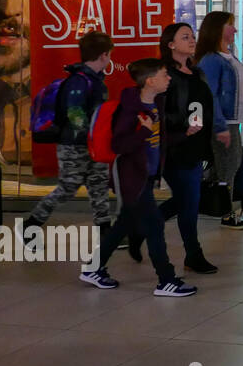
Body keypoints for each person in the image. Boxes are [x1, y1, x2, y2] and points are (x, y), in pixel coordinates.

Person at [80, 59, 197, 297]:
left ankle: (93, 268)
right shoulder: (130, 109)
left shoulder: (156, 103)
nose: (169, 78)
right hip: (131, 177)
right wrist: (144, 130)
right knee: (154, 225)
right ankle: (166, 280)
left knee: (124, 223)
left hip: (146, 175)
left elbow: (157, 142)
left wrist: (184, 134)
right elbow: (119, 144)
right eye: (165, 74)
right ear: (150, 81)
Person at [25, 31, 114, 241]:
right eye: (109, 54)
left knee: (99, 185)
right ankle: (31, 225)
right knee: (68, 187)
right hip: (75, 145)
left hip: (90, 144)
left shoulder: (91, 80)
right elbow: (74, 113)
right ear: (103, 55)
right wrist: (90, 134)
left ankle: (105, 231)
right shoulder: (80, 81)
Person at [151, 22, 218, 274]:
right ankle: (193, 254)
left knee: (184, 200)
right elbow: (159, 114)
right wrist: (182, 130)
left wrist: (214, 135)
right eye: (185, 37)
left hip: (196, 145)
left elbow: (205, 109)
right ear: (170, 45)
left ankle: (137, 227)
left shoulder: (197, 73)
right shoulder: (166, 76)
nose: (192, 40)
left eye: (192, 36)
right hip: (175, 148)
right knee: (189, 203)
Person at [195, 12, 243, 229]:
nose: (235, 30)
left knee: (234, 166)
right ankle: (225, 212)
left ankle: (224, 209)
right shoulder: (211, 59)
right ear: (218, 29)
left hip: (232, 120)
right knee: (228, 167)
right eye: (231, 25)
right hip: (224, 122)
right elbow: (210, 95)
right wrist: (219, 125)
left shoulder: (229, 56)